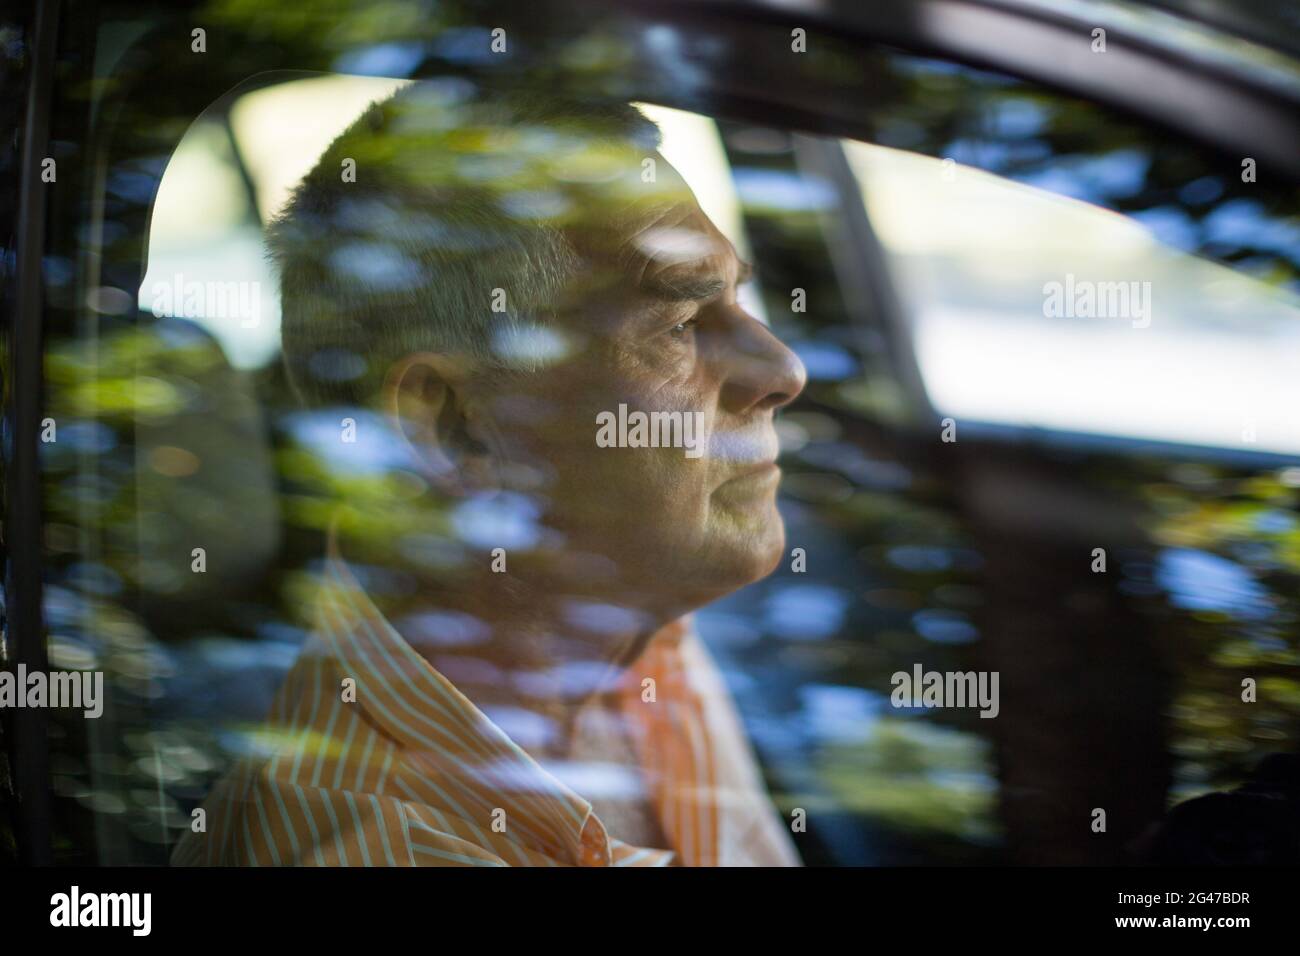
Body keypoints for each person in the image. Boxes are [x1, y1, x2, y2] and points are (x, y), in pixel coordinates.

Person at [172, 80, 806, 867]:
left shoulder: (626, 619)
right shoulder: (390, 850)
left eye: (738, 302)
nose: (783, 369)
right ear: (456, 428)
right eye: (681, 324)